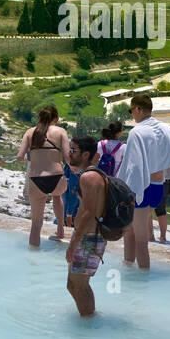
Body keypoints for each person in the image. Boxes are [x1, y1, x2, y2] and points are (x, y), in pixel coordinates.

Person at [116, 93, 170, 270]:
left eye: (131, 110)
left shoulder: (137, 132)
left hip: (143, 188)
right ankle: (128, 267)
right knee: (130, 230)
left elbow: (133, 167)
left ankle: (141, 281)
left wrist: (123, 190)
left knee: (141, 240)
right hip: (158, 187)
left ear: (138, 109)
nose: (132, 114)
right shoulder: (167, 129)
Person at [64, 136, 121, 317]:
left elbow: (88, 213)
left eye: (73, 151)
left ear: (86, 154)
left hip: (88, 237)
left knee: (77, 285)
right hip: (91, 236)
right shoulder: (94, 175)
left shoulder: (89, 177)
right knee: (75, 285)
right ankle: (89, 318)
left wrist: (74, 243)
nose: (70, 154)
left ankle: (88, 323)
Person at [14, 104, 69, 247]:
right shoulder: (61, 131)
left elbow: (20, 156)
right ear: (55, 119)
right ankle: (60, 229)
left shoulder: (30, 132)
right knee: (57, 196)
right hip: (56, 177)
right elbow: (67, 157)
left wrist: (30, 157)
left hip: (36, 178)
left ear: (39, 118)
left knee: (36, 226)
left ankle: (33, 258)